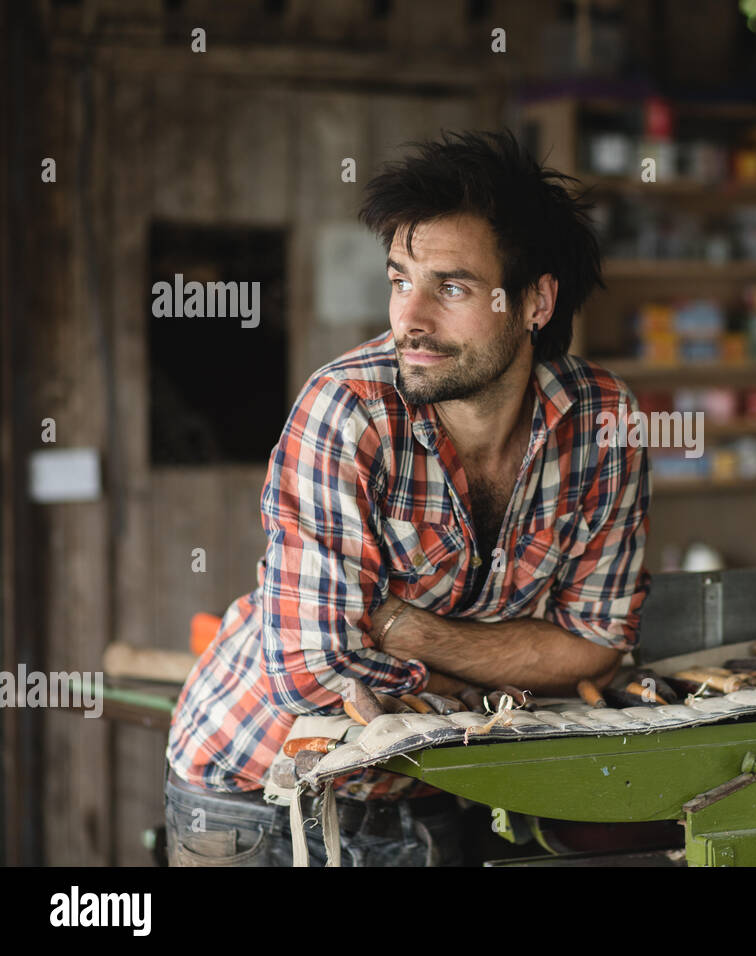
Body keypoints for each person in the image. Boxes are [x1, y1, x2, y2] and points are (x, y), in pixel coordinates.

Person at [164, 129, 651, 866]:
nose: (409, 319)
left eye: (450, 287)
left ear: (536, 300)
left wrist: (405, 632)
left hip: (430, 792)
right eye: (400, 280)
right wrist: (497, 679)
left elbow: (596, 649)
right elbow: (312, 673)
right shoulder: (347, 409)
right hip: (257, 791)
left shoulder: (604, 425)